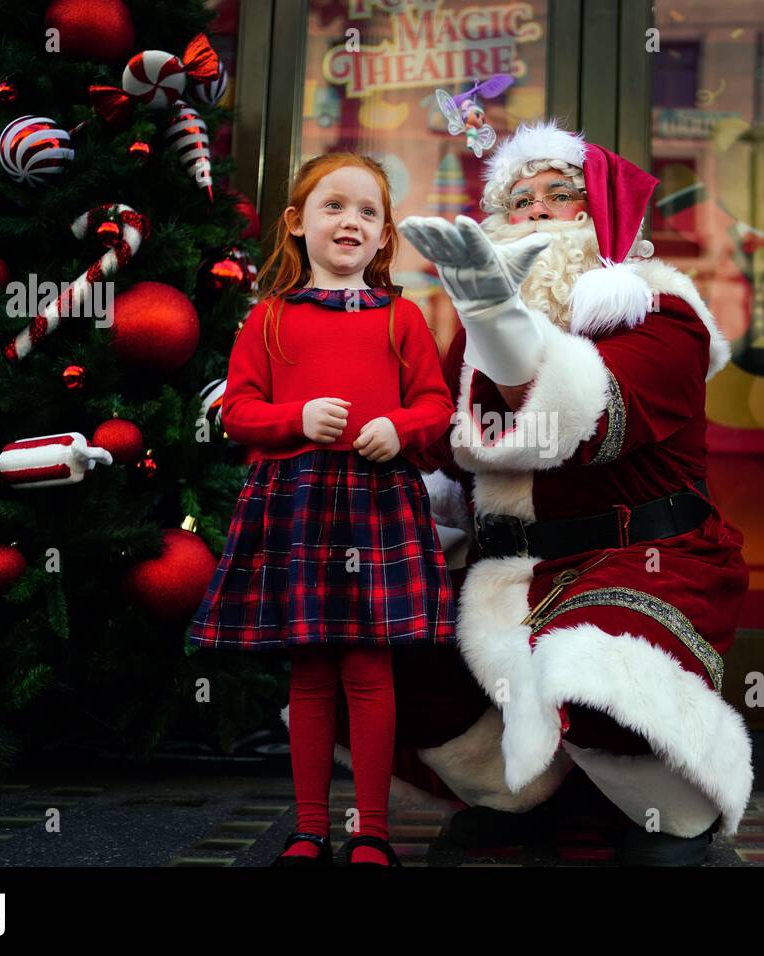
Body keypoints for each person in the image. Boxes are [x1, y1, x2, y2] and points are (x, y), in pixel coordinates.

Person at [392, 120, 754, 866]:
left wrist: (496, 316)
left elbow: (568, 423)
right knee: (378, 633)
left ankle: (672, 812)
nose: (535, 210)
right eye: (518, 200)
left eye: (559, 194)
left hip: (640, 560)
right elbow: (450, 451)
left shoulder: (658, 312)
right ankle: (523, 796)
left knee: (591, 671)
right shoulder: (475, 331)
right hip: (505, 570)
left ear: (602, 213)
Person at [187, 152, 456, 868]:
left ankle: (372, 832)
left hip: (376, 503)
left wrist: (399, 426)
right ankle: (309, 829)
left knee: (369, 668)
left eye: (368, 212)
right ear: (297, 222)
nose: (350, 222)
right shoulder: (270, 318)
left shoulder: (400, 318)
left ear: (384, 236)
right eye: (333, 206)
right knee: (309, 672)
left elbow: (437, 406)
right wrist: (297, 419)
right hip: (300, 503)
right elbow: (237, 412)